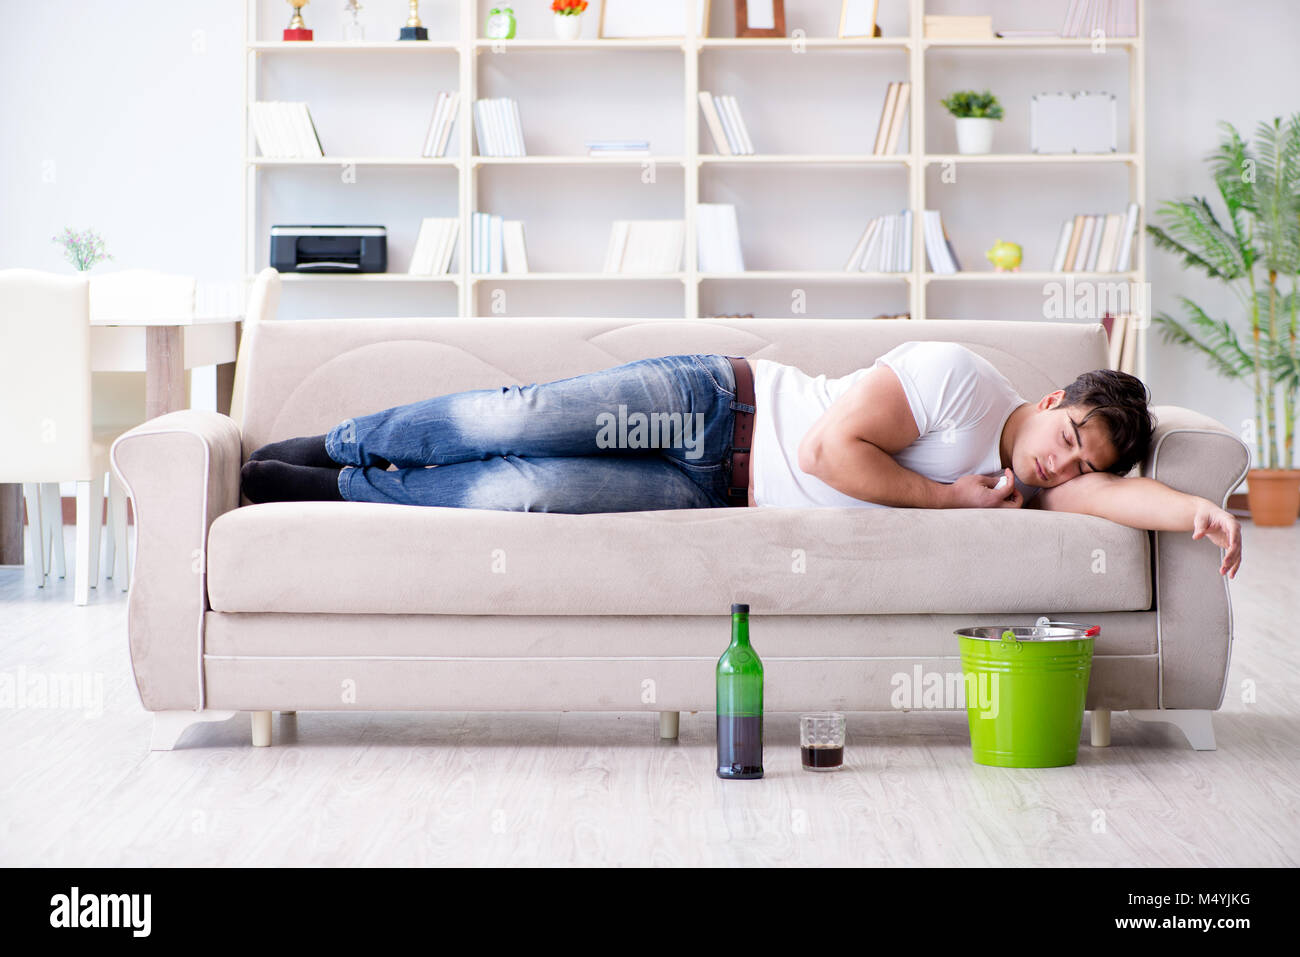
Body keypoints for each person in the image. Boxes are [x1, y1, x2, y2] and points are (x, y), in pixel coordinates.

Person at [240, 341, 1242, 578]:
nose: (1065, 467)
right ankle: (339, 442)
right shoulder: (963, 385)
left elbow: (1122, 494)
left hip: (705, 487)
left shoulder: (1028, 490)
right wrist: (947, 503)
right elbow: (826, 448)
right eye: (1069, 440)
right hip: (716, 405)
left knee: (528, 496)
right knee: (518, 418)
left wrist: (1204, 511)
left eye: (1081, 466)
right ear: (1057, 399)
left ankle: (342, 485)